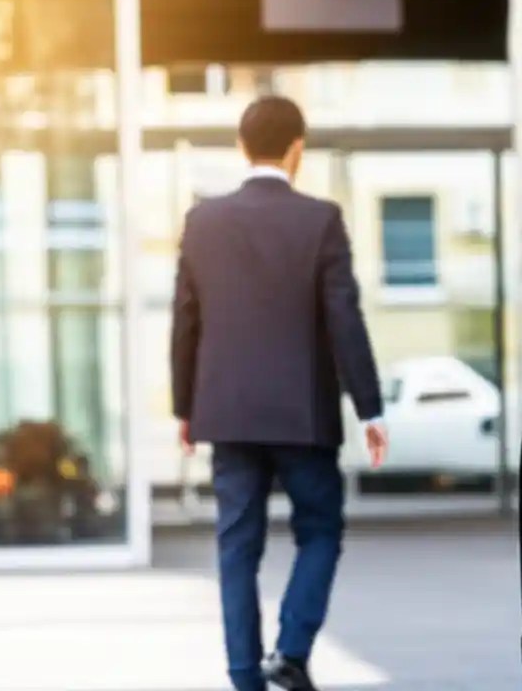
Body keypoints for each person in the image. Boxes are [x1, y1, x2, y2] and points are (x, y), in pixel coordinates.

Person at [171, 95, 388, 691]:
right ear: (297, 149)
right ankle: (291, 653)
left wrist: (183, 407)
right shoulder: (319, 220)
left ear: (243, 148)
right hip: (303, 415)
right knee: (320, 530)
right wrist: (369, 407)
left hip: (229, 415)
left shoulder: (202, 222)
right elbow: (345, 317)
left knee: (236, 546)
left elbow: (185, 320)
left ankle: (245, 677)